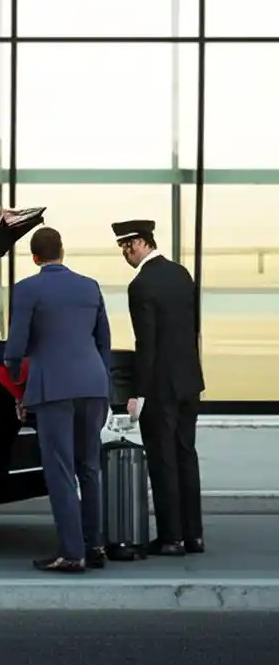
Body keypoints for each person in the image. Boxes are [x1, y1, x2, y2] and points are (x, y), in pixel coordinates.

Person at [4, 227, 112, 573]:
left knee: (61, 471)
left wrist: (19, 389)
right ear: (62, 252)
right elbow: (103, 342)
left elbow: (15, 351)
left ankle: (71, 553)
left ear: (34, 258)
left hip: (54, 390)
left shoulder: (26, 289)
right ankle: (95, 546)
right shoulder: (90, 286)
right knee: (89, 467)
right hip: (94, 386)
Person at [112, 219, 206, 556]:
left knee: (162, 460)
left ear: (138, 243)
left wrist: (139, 393)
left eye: (125, 247)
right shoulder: (182, 274)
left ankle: (171, 538)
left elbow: (146, 344)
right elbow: (192, 329)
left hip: (161, 386)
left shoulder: (141, 285)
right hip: (189, 381)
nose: (124, 253)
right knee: (186, 455)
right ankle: (194, 536)